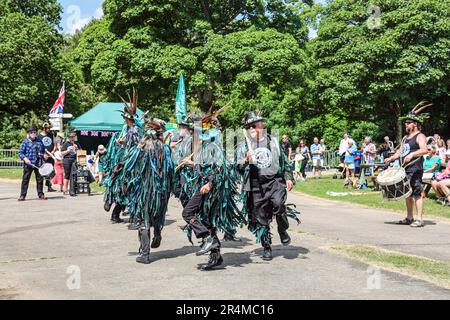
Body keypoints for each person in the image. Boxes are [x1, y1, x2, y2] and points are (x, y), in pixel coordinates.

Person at [181, 109, 245, 270]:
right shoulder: (206, 146)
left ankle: (208, 238)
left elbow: (218, 168)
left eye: (197, 130)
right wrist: (193, 163)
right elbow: (206, 165)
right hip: (206, 187)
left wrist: (209, 183)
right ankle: (216, 257)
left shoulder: (212, 146)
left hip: (210, 188)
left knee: (187, 213)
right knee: (208, 220)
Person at [236, 111, 299, 262]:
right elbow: (237, 169)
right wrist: (245, 160)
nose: (251, 128)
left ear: (261, 126)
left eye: (254, 125)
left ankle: (282, 230)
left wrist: (288, 177)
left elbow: (284, 162)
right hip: (256, 185)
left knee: (279, 204)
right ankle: (267, 247)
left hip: (274, 181)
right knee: (260, 218)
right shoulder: (244, 145)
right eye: (249, 126)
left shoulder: (272, 141)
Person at [385, 101, 430, 227]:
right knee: (407, 192)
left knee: (416, 192)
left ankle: (420, 219)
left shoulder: (420, 136)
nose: (406, 124)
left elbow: (425, 150)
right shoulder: (405, 138)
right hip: (405, 168)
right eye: (405, 122)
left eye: (408, 122)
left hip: (415, 168)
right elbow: (400, 152)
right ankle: (409, 217)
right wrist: (391, 158)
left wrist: (412, 154)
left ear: (415, 124)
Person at [17, 126, 48, 201]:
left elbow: (43, 151)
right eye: (31, 132)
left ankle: (40, 195)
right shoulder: (25, 142)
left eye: (34, 132)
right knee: (25, 180)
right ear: (29, 133)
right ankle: (22, 195)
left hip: (38, 164)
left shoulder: (40, 141)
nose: (33, 133)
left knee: (40, 180)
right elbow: (20, 152)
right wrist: (25, 158)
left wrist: (44, 155)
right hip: (28, 164)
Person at [61, 131, 82, 196]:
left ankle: (72, 189)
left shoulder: (77, 143)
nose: (72, 138)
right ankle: (65, 189)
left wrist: (77, 148)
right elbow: (62, 153)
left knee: (73, 175)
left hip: (74, 160)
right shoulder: (66, 144)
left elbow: (81, 152)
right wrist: (68, 151)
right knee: (67, 174)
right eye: (71, 137)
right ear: (69, 137)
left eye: (73, 137)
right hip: (67, 160)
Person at [38, 123, 56, 192]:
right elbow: (38, 146)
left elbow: (54, 145)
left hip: (50, 156)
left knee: (51, 171)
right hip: (43, 156)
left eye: (49, 128)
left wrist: (53, 151)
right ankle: (40, 187)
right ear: (44, 128)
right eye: (47, 128)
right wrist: (43, 154)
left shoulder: (51, 135)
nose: (49, 129)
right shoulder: (39, 136)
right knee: (43, 171)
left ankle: (49, 186)